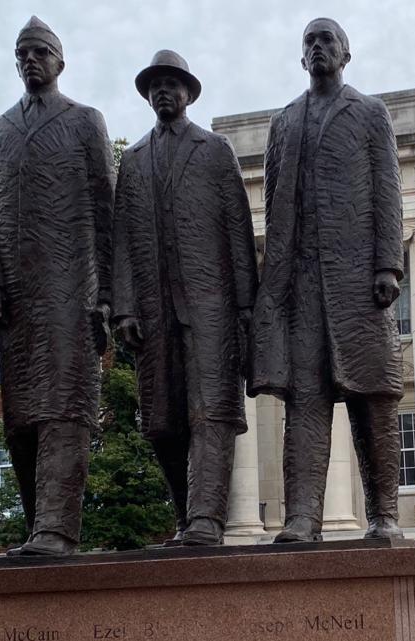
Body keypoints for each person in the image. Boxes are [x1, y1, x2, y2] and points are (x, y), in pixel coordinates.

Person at [250, 18, 406, 543]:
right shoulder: (284, 122)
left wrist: (388, 264)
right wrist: (274, 286)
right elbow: (274, 203)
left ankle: (383, 513)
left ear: (345, 54)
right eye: (310, 42)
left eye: (327, 40)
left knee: (374, 399)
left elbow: (387, 190)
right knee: (305, 403)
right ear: (302, 58)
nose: (318, 48)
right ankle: (302, 517)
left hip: (358, 280)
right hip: (301, 284)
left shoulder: (370, 112)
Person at [0, 16, 114, 556]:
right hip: (15, 296)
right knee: (20, 416)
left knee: (64, 404)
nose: (30, 60)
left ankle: (58, 529)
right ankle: (37, 526)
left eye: (40, 52)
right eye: (22, 54)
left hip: (71, 287)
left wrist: (108, 294)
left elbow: (106, 210)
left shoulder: (84, 121)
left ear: (60, 61)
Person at [112, 50, 258, 546]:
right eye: (155, 85)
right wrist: (124, 306)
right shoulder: (133, 160)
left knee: (212, 411)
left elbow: (238, 228)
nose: (163, 91)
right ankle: (185, 515)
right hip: (153, 310)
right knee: (161, 421)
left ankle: (207, 519)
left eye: (171, 84)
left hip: (211, 307)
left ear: (188, 93)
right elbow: (123, 239)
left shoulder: (215, 150)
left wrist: (245, 307)